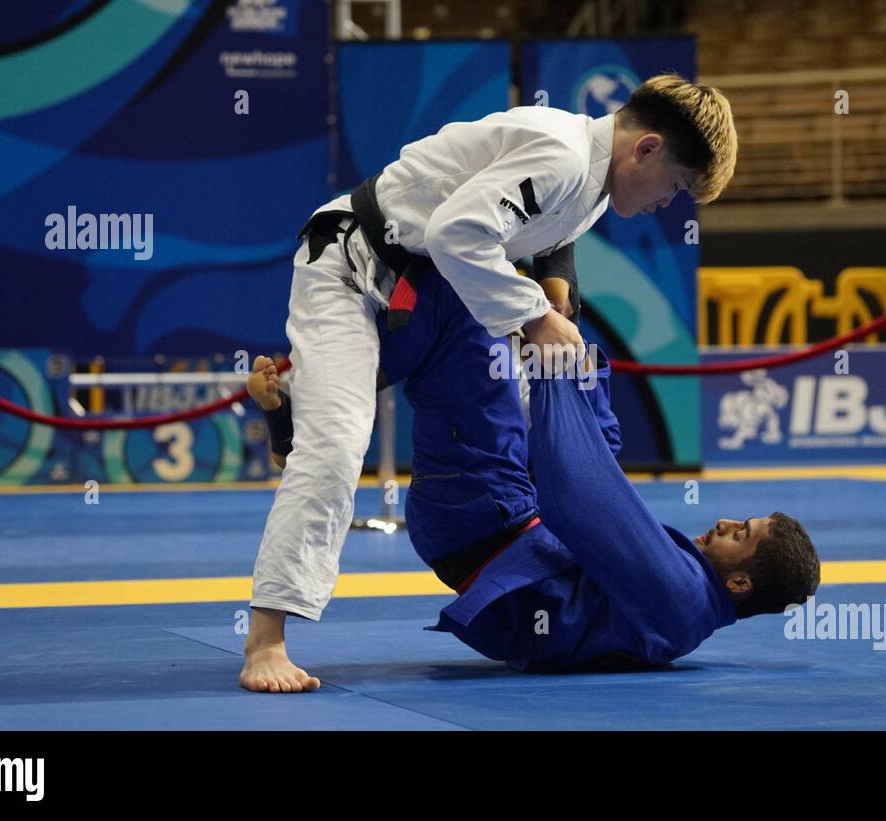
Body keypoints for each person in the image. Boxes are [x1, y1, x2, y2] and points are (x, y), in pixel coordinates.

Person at [241, 73, 739, 691]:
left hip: (426, 288)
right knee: (340, 445)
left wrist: (555, 296)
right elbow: (459, 232)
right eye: (677, 187)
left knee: (535, 412)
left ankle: (297, 404)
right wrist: (533, 316)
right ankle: (265, 639)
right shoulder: (561, 152)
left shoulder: (594, 180)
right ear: (647, 149)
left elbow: (550, 234)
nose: (670, 204)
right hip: (352, 268)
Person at [242, 265, 818, 682]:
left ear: (740, 583)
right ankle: (304, 416)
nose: (724, 522)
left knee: (466, 313)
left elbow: (576, 497)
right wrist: (567, 343)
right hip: (514, 523)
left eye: (741, 534)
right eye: (741, 520)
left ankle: (309, 410)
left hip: (481, 525)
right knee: (564, 368)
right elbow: (595, 473)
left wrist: (549, 360)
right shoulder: (685, 600)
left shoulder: (680, 597)